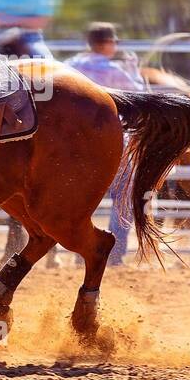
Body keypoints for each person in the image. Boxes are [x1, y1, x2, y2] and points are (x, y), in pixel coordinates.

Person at [66, 22, 145, 264]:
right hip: (111, 143)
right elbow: (139, 94)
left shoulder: (71, 67)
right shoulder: (115, 71)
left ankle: (81, 250)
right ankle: (115, 254)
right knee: (124, 195)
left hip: (73, 145)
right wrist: (134, 70)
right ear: (108, 43)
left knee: (77, 199)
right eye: (114, 41)